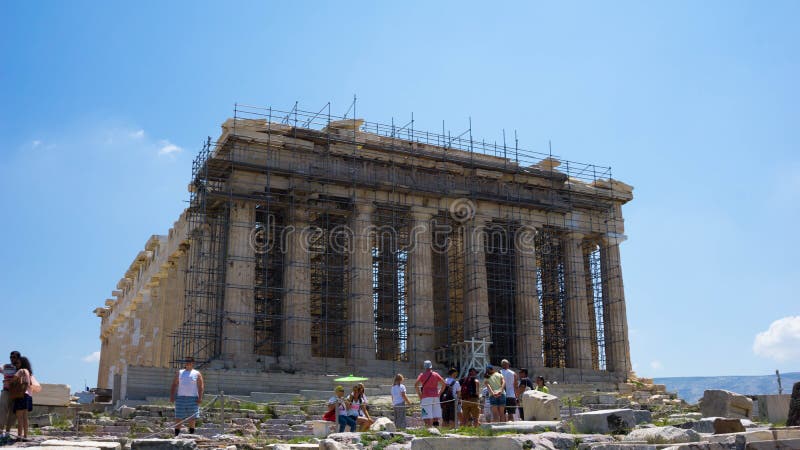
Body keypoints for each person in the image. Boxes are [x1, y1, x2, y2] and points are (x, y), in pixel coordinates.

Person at [170, 357, 204, 436]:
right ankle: (176, 434)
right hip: (180, 397)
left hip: (193, 398)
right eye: (186, 361)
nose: (188, 363)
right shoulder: (180, 372)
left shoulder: (197, 373)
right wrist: (172, 396)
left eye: (190, 361)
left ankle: (191, 434)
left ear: (193, 363)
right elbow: (174, 385)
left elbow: (201, 386)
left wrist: (200, 397)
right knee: (178, 416)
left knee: (192, 417)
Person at [414, 360, 446, 427]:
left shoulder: (422, 375)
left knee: (426, 414)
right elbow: (444, 384)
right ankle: (436, 429)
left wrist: (420, 395)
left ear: (424, 367)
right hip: (435, 396)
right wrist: (439, 393)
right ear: (431, 366)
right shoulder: (436, 374)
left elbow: (416, 385)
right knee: (435, 415)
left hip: (426, 396)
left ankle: (428, 429)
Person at [11, 356, 32, 441]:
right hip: (28, 395)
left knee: (19, 418)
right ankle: (25, 436)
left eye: (18, 363)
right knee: (25, 418)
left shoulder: (20, 371)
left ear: (22, 363)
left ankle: (19, 436)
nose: (16, 365)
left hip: (20, 395)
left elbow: (13, 380)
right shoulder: (28, 372)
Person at [1, 351, 20, 442]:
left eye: (14, 357)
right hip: (6, 391)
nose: (12, 358)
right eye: (11, 357)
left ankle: (7, 433)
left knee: (13, 413)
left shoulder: (20, 368)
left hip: (16, 393)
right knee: (2, 411)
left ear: (18, 358)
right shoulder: (6, 366)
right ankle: (0, 432)